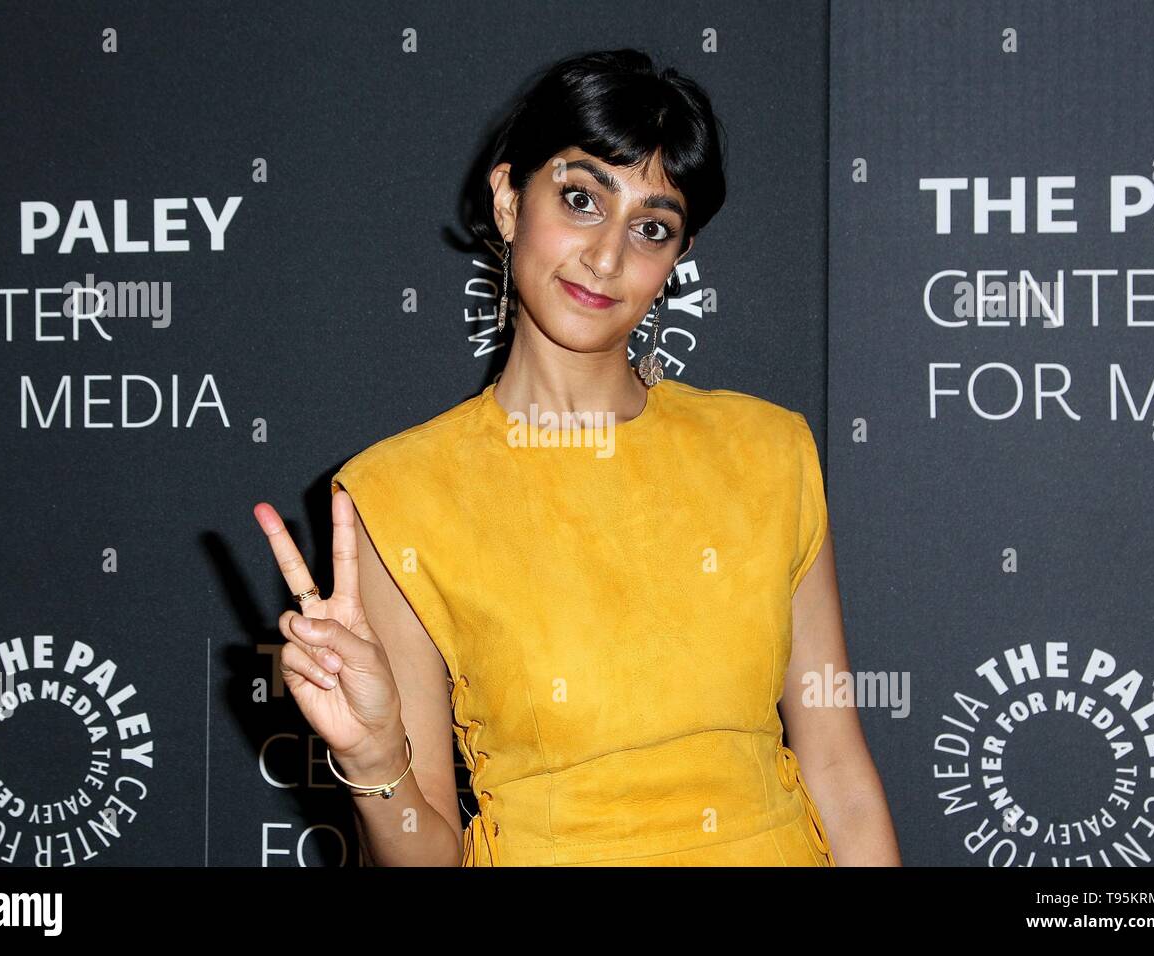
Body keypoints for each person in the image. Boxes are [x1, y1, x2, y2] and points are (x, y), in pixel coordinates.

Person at [253, 48, 900, 866]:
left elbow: (840, 774)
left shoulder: (769, 452)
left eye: (652, 227)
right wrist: (376, 762)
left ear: (676, 258)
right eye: (581, 198)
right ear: (508, 199)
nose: (607, 257)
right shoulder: (400, 494)